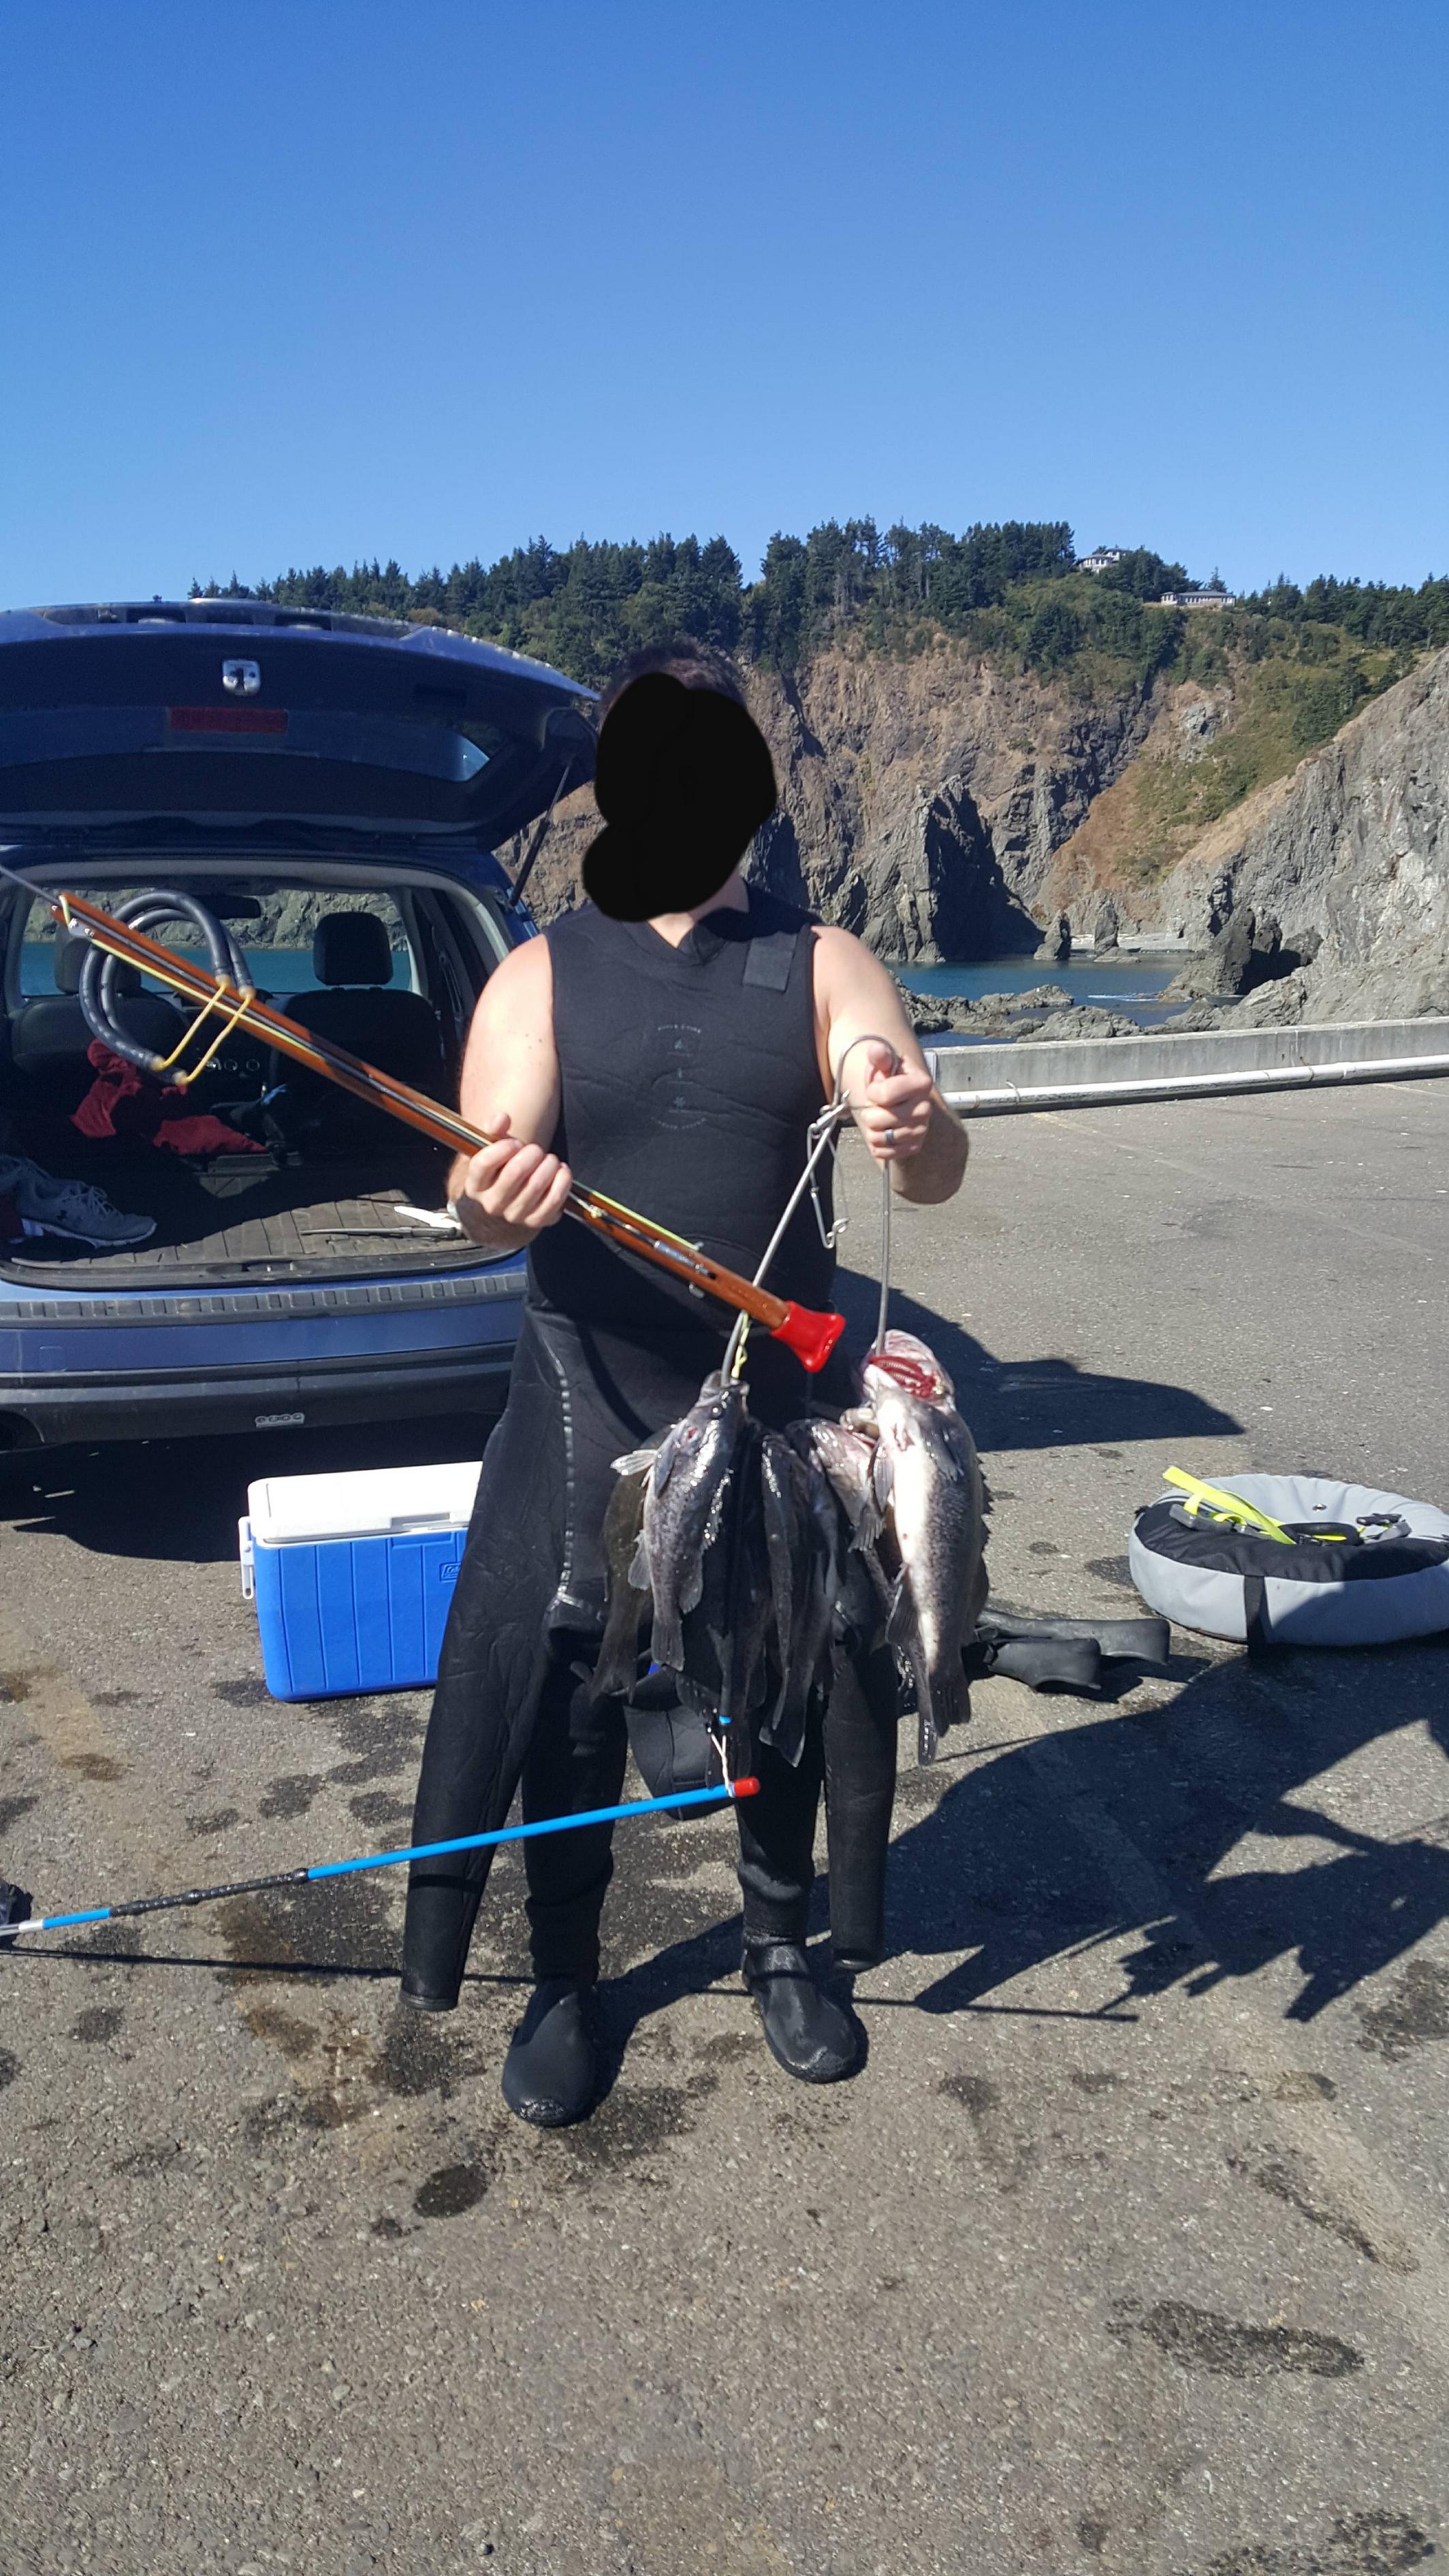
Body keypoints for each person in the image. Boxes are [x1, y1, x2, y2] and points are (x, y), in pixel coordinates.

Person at [400, 639, 968, 2125]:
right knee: (565, 1699)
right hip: (588, 1379)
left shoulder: (820, 955)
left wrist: (906, 1112)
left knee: (781, 1671)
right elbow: (485, 1155)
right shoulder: (539, 969)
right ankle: (567, 1971)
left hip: (774, 1393)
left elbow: (918, 1132)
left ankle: (782, 1936)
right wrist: (492, 1193)